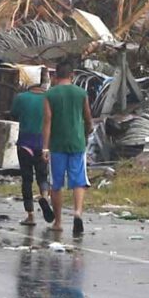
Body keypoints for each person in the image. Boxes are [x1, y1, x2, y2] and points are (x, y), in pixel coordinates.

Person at [44, 62, 90, 238]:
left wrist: (44, 147)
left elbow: (47, 122)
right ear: (72, 76)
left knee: (56, 184)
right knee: (78, 181)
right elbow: (88, 118)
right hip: (77, 143)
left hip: (57, 145)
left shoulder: (50, 94)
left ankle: (58, 222)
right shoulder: (81, 93)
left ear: (55, 77)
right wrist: (85, 133)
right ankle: (77, 213)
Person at [9, 71, 55, 224]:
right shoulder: (49, 98)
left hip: (25, 143)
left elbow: (13, 115)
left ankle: (30, 215)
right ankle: (44, 196)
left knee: (26, 179)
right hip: (43, 143)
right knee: (42, 176)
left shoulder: (21, 98)